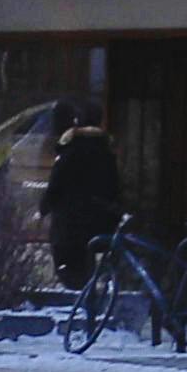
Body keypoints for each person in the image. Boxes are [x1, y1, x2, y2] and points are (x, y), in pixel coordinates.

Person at [42, 117, 124, 291]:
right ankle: (91, 299)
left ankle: (78, 298)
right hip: (99, 221)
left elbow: (55, 186)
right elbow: (114, 189)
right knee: (91, 264)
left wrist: (44, 209)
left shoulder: (68, 153)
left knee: (70, 268)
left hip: (69, 222)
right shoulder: (106, 155)